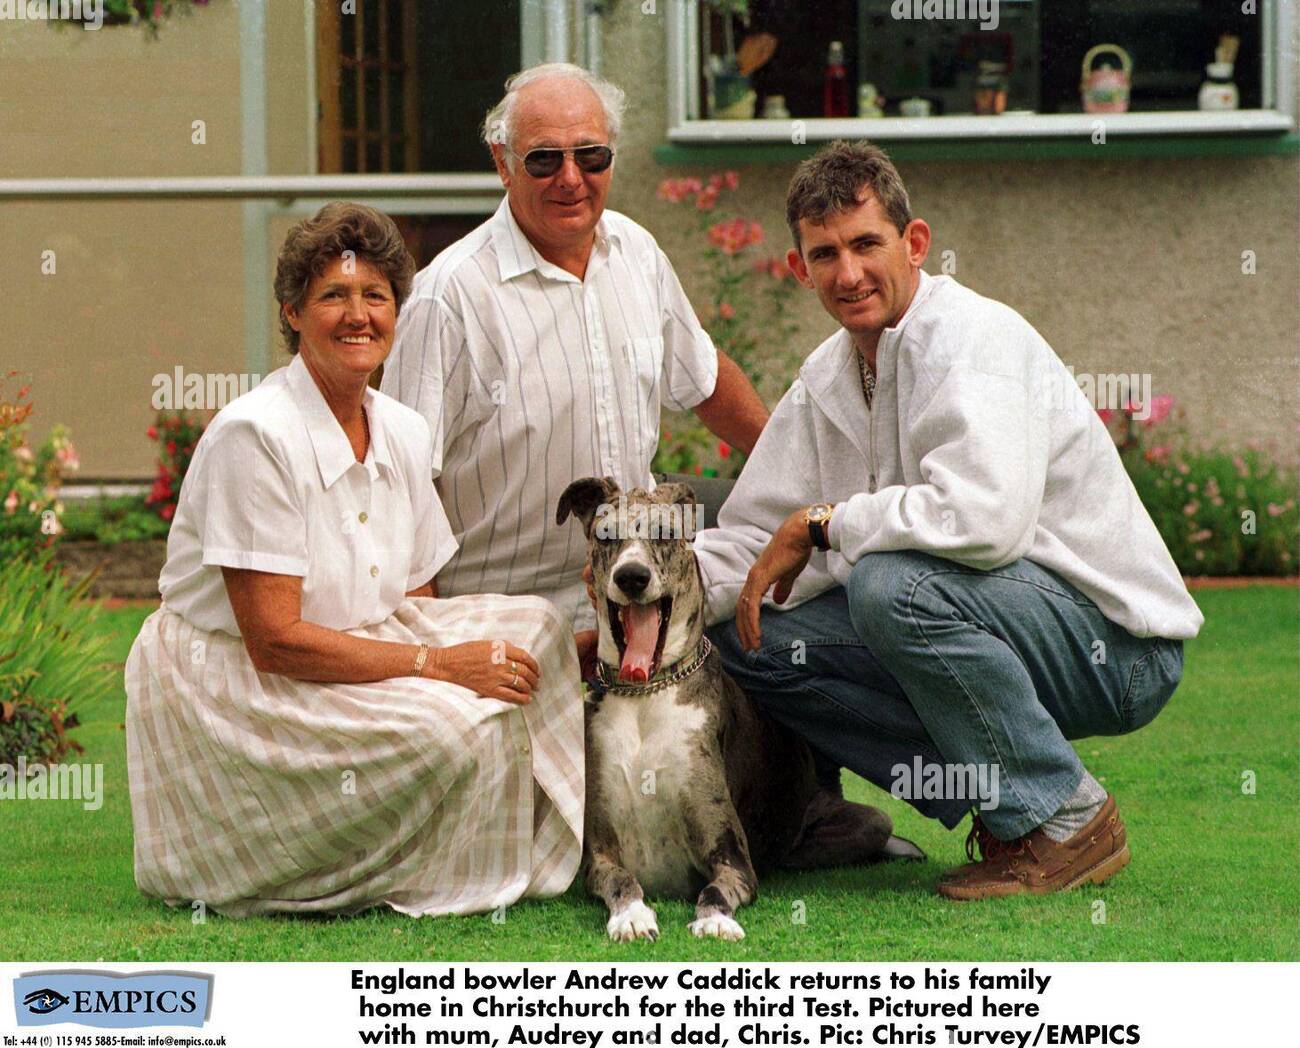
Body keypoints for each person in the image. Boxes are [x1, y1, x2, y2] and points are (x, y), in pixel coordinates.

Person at [695, 141, 1204, 901]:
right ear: (800, 268)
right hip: (998, 625)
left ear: (915, 242)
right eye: (825, 253)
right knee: (744, 631)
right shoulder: (826, 378)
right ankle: (1002, 799)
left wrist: (827, 521)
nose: (849, 272)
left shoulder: (975, 338)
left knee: (890, 588)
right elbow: (751, 536)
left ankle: (1067, 816)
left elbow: (985, 520)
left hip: (1116, 646)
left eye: (867, 243)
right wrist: (635, 607)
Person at [124, 202, 583, 918]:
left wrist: (467, 661)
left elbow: (418, 594)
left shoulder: (400, 426)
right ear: (293, 313)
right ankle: (364, 859)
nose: (358, 314)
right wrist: (438, 673)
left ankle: (559, 834)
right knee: (453, 728)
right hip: (240, 683)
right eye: (333, 295)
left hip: (360, 642)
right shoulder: (256, 435)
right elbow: (273, 641)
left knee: (540, 628)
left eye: (375, 295)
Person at [380, 63, 769, 671]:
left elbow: (705, 379)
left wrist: (790, 471)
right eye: (543, 160)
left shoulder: (635, 252)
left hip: (636, 594)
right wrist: (435, 655)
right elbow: (399, 485)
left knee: (782, 584)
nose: (570, 179)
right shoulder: (449, 297)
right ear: (502, 162)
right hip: (507, 619)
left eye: (591, 157)